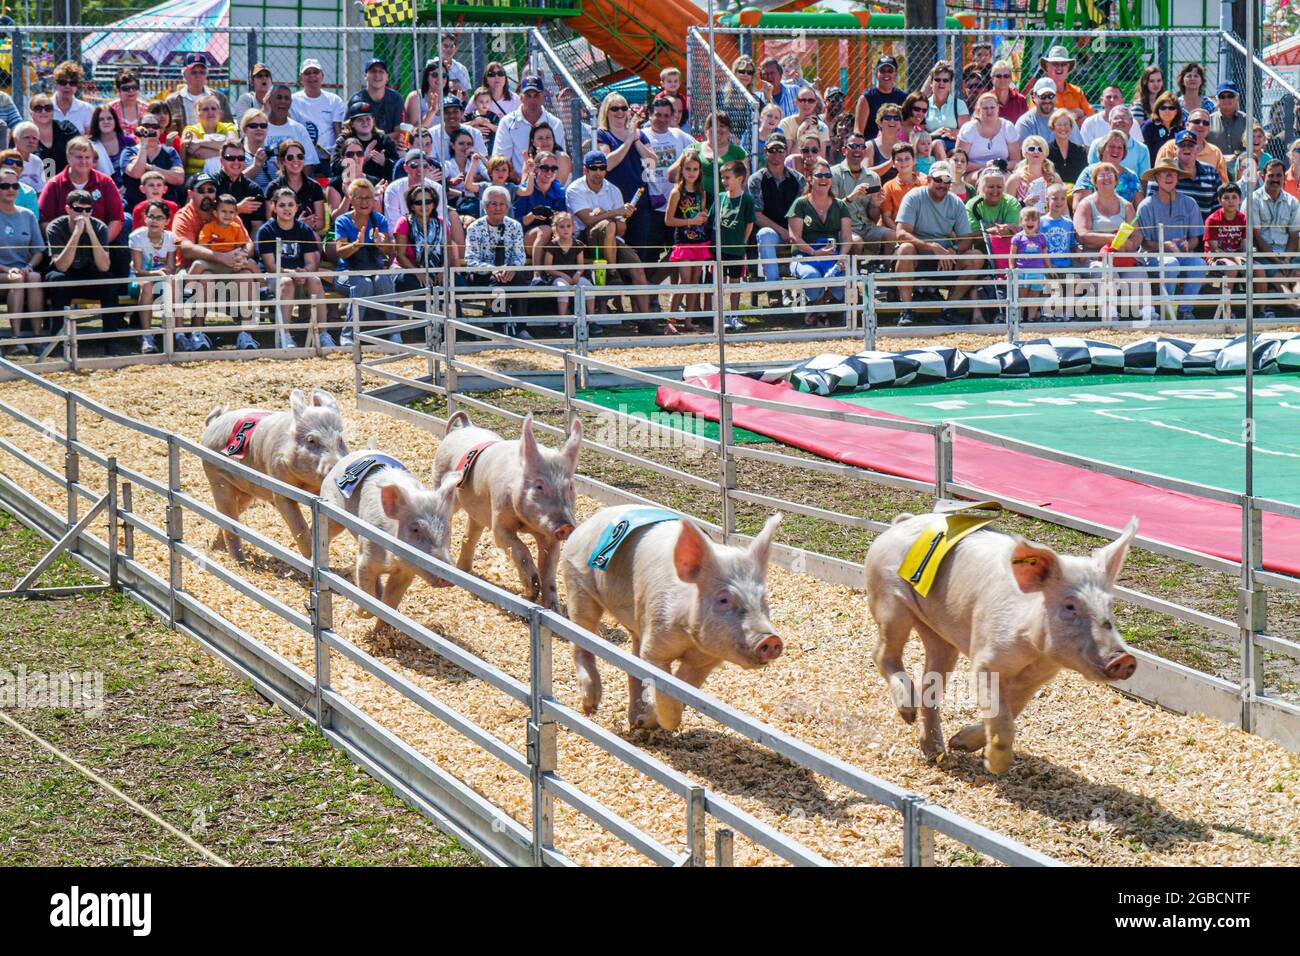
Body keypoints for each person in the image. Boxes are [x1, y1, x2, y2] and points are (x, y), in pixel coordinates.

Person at [893, 160, 982, 325]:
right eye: (938, 180)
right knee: (905, 249)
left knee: (976, 256)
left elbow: (966, 239)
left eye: (946, 180)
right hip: (916, 256)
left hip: (945, 260)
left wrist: (952, 252)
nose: (942, 184)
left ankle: (948, 309)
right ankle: (906, 311)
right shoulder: (913, 196)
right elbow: (901, 233)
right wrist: (932, 247)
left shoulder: (955, 202)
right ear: (928, 179)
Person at [565, 150, 650, 321]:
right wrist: (614, 213)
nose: (598, 172)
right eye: (594, 168)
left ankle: (645, 320)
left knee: (638, 269)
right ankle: (612, 272)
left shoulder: (613, 190)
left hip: (612, 239)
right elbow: (588, 220)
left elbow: (622, 228)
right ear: (585, 169)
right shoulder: (575, 189)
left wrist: (606, 213)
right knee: (608, 225)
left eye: (602, 168)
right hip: (583, 241)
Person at [38, 138, 126, 291]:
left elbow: (116, 219)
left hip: (97, 245)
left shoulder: (105, 182)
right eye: (79, 157)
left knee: (122, 253)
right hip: (64, 246)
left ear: (93, 160)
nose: (83, 161)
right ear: (68, 158)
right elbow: (44, 221)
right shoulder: (54, 184)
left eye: (87, 157)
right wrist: (67, 243)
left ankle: (121, 306)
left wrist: (99, 241)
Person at [44, 190, 123, 352]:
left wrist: (91, 233)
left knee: (109, 283)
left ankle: (110, 341)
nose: (84, 214)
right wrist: (77, 233)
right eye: (78, 209)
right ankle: (57, 341)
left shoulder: (99, 226)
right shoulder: (55, 227)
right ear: (68, 209)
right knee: (58, 280)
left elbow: (104, 266)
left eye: (88, 210)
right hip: (66, 274)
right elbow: (62, 266)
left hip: (91, 273)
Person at [1134, 158, 1204, 321]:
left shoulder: (1189, 203)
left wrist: (1188, 244)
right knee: (1171, 263)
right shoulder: (1146, 205)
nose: (1169, 177)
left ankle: (1186, 310)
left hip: (1181, 255)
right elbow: (1144, 243)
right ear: (1156, 178)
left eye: (1172, 173)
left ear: (1178, 177)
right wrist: (1164, 245)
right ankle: (1165, 309)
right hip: (1153, 256)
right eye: (1164, 174)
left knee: (1199, 264)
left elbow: (1196, 239)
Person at [785, 157, 852, 326]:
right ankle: (819, 308)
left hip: (832, 257)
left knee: (845, 277)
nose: (824, 179)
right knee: (812, 275)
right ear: (810, 178)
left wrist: (841, 258)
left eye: (827, 175)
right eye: (819, 175)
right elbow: (794, 237)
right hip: (805, 255)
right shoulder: (800, 204)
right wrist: (814, 252)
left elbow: (846, 237)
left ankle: (817, 306)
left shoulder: (840, 205)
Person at [257, 188, 326, 349]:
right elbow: (271, 266)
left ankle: (323, 333)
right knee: (287, 282)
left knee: (315, 280)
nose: (287, 209)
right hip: (275, 278)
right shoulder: (266, 231)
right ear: (274, 207)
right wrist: (293, 273)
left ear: (296, 207)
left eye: (290, 204)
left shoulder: (304, 230)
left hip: (299, 275)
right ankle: (285, 335)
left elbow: (311, 261)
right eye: (282, 205)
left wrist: (304, 272)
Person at [332, 178, 398, 345]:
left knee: (384, 280)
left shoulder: (379, 220)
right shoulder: (343, 221)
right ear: (351, 200)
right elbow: (341, 252)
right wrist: (357, 244)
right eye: (359, 198)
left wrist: (382, 244)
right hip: (347, 271)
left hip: (374, 269)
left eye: (368, 197)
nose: (364, 202)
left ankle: (393, 332)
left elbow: (388, 251)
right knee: (364, 284)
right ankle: (349, 334)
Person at [596, 93, 657, 265]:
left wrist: (635, 139)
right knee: (615, 252)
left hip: (639, 202)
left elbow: (652, 163)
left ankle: (637, 290)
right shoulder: (603, 134)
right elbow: (607, 163)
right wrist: (628, 141)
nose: (620, 112)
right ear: (606, 112)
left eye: (623, 107)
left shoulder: (639, 135)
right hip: (614, 204)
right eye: (614, 108)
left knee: (639, 253)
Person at [461, 184, 529, 333]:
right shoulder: (474, 228)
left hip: (508, 271)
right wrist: (492, 270)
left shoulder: (515, 226)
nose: (498, 208)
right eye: (493, 204)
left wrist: (511, 269)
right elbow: (470, 259)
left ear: (507, 207)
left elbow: (519, 255)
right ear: (485, 206)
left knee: (519, 280)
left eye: (502, 204)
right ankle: (499, 328)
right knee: (497, 284)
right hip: (483, 274)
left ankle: (521, 328)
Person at [749, 136, 804, 303]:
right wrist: (783, 231)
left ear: (786, 152)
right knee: (765, 235)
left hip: (796, 229)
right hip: (772, 230)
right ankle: (774, 291)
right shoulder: (756, 179)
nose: (776, 154)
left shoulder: (798, 179)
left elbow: (802, 210)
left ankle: (809, 292)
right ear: (765, 153)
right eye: (772, 150)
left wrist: (793, 232)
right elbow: (757, 215)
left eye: (780, 150)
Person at [663, 150, 710, 330]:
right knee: (684, 281)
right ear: (682, 169)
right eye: (688, 168)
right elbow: (668, 220)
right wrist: (690, 221)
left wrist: (703, 217)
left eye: (695, 169)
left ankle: (689, 320)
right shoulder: (677, 192)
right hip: (683, 241)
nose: (692, 172)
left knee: (695, 279)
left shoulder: (701, 192)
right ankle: (671, 321)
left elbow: (702, 214)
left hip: (699, 241)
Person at [0, 169, 44, 352]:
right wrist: (6, 270)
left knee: (34, 277)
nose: (11, 189)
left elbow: (39, 251)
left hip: (22, 271)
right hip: (4, 273)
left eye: (15, 185)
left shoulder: (27, 215)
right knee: (17, 280)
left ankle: (36, 338)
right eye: (5, 186)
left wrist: (29, 266)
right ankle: (16, 338)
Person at [1251, 159, 1300, 317]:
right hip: (1262, 255)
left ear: (1284, 178)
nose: (1275, 179)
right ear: (1263, 175)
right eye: (1271, 175)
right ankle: (1296, 309)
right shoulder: (1253, 200)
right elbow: (1256, 237)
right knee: (1280, 279)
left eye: (1279, 175)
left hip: (1286, 254)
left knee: (1297, 275)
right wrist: (1278, 262)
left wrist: (1286, 260)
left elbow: (1294, 235)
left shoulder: (1292, 202)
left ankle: (1295, 307)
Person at [394, 181, 463, 294]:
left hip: (436, 269)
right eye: (418, 202)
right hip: (407, 270)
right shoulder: (404, 222)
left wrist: (442, 270)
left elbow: (448, 252)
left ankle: (453, 312)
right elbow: (400, 256)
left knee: (454, 284)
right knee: (422, 286)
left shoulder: (441, 222)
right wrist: (418, 273)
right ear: (412, 205)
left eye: (428, 201)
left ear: (434, 203)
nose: (424, 206)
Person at [127, 199, 175, 353]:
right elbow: (138, 270)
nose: (154, 221)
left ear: (167, 221)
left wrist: (162, 273)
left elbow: (171, 266)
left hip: (162, 277)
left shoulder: (170, 237)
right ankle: (147, 336)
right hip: (140, 278)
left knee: (174, 284)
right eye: (151, 216)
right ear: (145, 218)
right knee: (147, 285)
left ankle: (174, 333)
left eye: (159, 217)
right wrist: (157, 273)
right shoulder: (137, 236)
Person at [832, 131, 889, 256]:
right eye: (853, 146)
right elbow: (830, 210)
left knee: (892, 236)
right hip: (843, 229)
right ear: (844, 151)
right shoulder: (833, 174)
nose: (857, 150)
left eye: (861, 147)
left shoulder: (873, 177)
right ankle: (855, 274)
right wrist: (851, 197)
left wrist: (875, 204)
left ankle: (884, 273)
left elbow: (874, 218)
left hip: (867, 228)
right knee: (856, 242)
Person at [497, 76, 567, 179]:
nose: (532, 100)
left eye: (536, 95)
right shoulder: (507, 123)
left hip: (550, 183)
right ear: (521, 98)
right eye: (528, 96)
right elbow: (501, 160)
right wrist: (523, 185)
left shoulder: (555, 124)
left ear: (543, 97)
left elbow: (560, 160)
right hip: (518, 184)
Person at [716, 159, 755, 329]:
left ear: (739, 179)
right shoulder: (720, 197)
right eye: (722, 178)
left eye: (727, 178)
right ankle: (721, 315)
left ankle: (734, 315)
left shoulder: (746, 199)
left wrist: (743, 241)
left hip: (736, 248)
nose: (724, 181)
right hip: (719, 248)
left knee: (734, 281)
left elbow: (749, 223)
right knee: (720, 282)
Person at [121, 110, 185, 211]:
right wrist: (143, 144)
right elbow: (137, 173)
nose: (150, 129)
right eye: (146, 126)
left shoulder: (169, 152)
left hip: (165, 209)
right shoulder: (129, 152)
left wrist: (149, 167)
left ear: (160, 130)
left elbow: (179, 178)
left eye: (155, 126)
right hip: (134, 208)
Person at [1072, 161, 1139, 259]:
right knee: (1110, 273)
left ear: (1116, 181)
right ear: (1094, 182)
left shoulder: (1127, 206)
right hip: (1094, 257)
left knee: (1137, 274)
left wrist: (1129, 246)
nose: (1106, 178)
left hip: (1122, 256)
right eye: (1101, 175)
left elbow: (1136, 236)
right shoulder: (1085, 205)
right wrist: (1113, 239)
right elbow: (1082, 235)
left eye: (1110, 174)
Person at [513, 151, 567, 263]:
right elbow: (515, 224)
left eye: (553, 168)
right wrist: (533, 215)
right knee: (545, 230)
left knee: (563, 234)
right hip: (524, 240)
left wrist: (556, 218)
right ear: (536, 169)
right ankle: (537, 275)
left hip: (552, 236)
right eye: (545, 168)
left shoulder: (560, 191)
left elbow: (565, 221)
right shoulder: (523, 190)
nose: (549, 172)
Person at [205, 109, 276, 192]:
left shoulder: (273, 154)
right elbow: (230, 182)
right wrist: (255, 166)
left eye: (263, 126)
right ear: (245, 130)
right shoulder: (235, 154)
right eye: (253, 126)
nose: (259, 128)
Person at [291, 59, 345, 166]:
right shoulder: (293, 100)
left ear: (322, 76)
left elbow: (339, 132)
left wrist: (338, 155)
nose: (312, 76)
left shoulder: (334, 100)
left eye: (315, 72)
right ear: (301, 78)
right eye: (307, 73)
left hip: (329, 156)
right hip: (303, 156)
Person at [266, 139, 327, 233]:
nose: (296, 160)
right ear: (283, 162)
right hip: (281, 236)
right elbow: (269, 221)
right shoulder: (273, 187)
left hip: (306, 235)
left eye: (300, 156)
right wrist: (297, 224)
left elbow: (320, 223)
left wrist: (309, 225)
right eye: (290, 157)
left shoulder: (315, 187)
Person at [956, 91, 1021, 178]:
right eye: (985, 108)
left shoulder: (1007, 127)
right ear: (979, 110)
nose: (989, 111)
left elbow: (1016, 162)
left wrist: (999, 165)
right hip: (974, 173)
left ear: (998, 108)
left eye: (992, 107)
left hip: (1003, 172)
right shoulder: (969, 129)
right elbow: (958, 163)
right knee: (987, 177)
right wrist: (986, 166)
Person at [330, 103, 400, 182]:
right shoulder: (343, 141)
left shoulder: (384, 140)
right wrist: (362, 159)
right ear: (352, 123)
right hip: (350, 185)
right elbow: (334, 168)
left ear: (373, 121)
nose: (365, 122)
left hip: (379, 186)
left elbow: (398, 167)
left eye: (368, 119)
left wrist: (384, 162)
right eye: (360, 120)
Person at [1204, 181, 1248, 307]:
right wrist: (1235, 258)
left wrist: (1243, 258)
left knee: (1258, 270)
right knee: (1232, 268)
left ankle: (1261, 309)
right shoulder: (1212, 219)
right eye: (1226, 198)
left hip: (1237, 256)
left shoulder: (1243, 219)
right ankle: (1226, 309)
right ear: (1219, 200)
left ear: (1240, 200)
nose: (1231, 201)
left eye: (1234, 197)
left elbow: (1245, 245)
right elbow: (1214, 249)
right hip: (1215, 258)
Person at [1159, 130, 1220, 218]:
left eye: (1190, 145)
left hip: (1204, 229)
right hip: (1172, 229)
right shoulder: (1163, 172)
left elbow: (1218, 209)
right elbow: (1153, 206)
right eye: (1182, 145)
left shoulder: (1211, 172)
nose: (1186, 148)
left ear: (1197, 149)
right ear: (1175, 149)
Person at [540, 211, 589, 319]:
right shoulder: (552, 245)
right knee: (563, 288)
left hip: (574, 275)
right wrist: (563, 275)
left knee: (587, 286)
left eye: (568, 226)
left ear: (573, 228)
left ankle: (590, 320)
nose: (566, 229)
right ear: (555, 229)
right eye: (562, 227)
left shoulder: (578, 245)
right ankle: (562, 322)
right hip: (556, 277)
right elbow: (547, 268)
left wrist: (578, 273)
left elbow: (581, 265)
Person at [1156, 108, 1227, 182]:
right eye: (1197, 121)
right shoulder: (1169, 147)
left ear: (1209, 129)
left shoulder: (1215, 152)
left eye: (1206, 123)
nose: (1201, 125)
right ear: (1187, 125)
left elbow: (1223, 185)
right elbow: (1158, 177)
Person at [213, 138, 267, 234]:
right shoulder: (210, 184)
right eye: (230, 158)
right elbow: (204, 217)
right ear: (221, 160)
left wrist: (249, 248)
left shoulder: (253, 189)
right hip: (213, 240)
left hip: (243, 243)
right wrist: (237, 209)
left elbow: (257, 226)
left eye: (241, 158)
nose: (236, 162)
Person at [166, 53, 234, 130]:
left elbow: (229, 125)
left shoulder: (219, 98)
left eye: (202, 72)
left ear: (206, 75)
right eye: (193, 72)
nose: (198, 75)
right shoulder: (172, 100)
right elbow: (168, 128)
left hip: (214, 140)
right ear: (184, 74)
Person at [1073, 131, 1143, 204]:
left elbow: (1140, 209)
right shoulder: (1089, 172)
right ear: (1103, 149)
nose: (1116, 150)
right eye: (1112, 146)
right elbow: (1078, 205)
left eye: (1120, 148)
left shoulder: (1131, 176)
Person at [383, 147, 441, 232]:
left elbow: (440, 220)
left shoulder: (437, 188)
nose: (419, 169)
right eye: (414, 165)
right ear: (405, 168)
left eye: (424, 166)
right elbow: (393, 225)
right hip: (402, 237)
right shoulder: (393, 189)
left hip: (431, 237)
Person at [1084, 105, 1150, 179]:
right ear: (1109, 122)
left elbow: (1144, 179)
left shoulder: (1142, 149)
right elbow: (1091, 173)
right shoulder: (1096, 144)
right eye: (1116, 118)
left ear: (1131, 123)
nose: (1120, 121)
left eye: (1124, 118)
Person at [180, 94, 237, 176]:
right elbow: (198, 153)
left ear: (220, 112)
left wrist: (200, 143)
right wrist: (226, 154)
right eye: (205, 109)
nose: (210, 112)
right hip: (197, 176)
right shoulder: (190, 130)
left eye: (214, 108)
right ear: (197, 113)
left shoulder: (229, 127)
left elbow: (233, 146)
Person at [1009, 206, 1050, 319]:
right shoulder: (1018, 237)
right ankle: (1020, 317)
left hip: (1037, 271)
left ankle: (1031, 318)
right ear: (1021, 221)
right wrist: (1012, 267)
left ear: (1038, 222)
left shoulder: (1041, 237)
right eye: (1027, 219)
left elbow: (1044, 255)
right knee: (1022, 295)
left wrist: (1049, 268)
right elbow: (1012, 255)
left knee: (1034, 295)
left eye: (1033, 220)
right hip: (1023, 272)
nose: (1030, 222)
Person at [348, 58, 405, 138]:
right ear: (365, 76)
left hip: (389, 144)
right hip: (362, 145)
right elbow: (349, 131)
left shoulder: (396, 99)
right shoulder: (357, 100)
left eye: (381, 71)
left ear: (387, 77)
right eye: (373, 71)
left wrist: (380, 141)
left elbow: (399, 132)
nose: (377, 75)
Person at [1035, 45, 1092, 124]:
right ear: (1047, 67)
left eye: (1063, 64)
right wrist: (1073, 114)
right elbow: (1040, 120)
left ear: (1068, 68)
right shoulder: (1039, 92)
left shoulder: (1077, 91)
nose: (1059, 67)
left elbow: (1091, 118)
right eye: (1055, 64)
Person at [29, 93, 80, 181]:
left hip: (68, 182)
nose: (43, 112)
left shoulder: (67, 129)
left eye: (48, 108)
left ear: (53, 111)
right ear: (31, 112)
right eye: (38, 108)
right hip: (35, 186)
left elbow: (81, 152)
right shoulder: (24, 134)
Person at [263, 86, 315, 170]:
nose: (283, 101)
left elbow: (308, 163)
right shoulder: (260, 127)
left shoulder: (299, 129)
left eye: (286, 98)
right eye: (279, 97)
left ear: (290, 102)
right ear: (270, 101)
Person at [923, 60, 967, 157]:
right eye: (937, 80)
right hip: (929, 146)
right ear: (931, 82)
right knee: (938, 144)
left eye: (945, 80)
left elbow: (967, 133)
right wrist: (933, 134)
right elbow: (918, 134)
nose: (941, 83)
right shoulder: (924, 105)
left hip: (953, 147)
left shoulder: (959, 105)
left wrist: (952, 132)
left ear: (950, 84)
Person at [1005, 135, 1061, 212]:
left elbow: (1064, 208)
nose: (1036, 151)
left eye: (1040, 149)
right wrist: (1023, 204)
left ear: (1045, 153)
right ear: (1025, 153)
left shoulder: (1054, 178)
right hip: (1023, 222)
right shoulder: (1015, 179)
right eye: (1032, 149)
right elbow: (1006, 209)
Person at [967, 166, 1023, 242]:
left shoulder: (1011, 202)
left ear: (1003, 188)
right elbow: (972, 235)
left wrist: (986, 231)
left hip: (1008, 247)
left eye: (999, 187)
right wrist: (995, 230)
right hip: (981, 248)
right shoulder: (973, 204)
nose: (995, 191)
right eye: (991, 187)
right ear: (982, 187)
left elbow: (1013, 231)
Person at [431, 95, 488, 161]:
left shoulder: (474, 133)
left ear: (462, 113)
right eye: (447, 112)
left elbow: (485, 161)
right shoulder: (432, 134)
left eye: (455, 111)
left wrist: (476, 155)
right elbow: (431, 162)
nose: (451, 115)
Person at [880, 141, 926, 222]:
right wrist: (898, 232)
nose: (903, 162)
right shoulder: (888, 186)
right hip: (898, 229)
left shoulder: (925, 183)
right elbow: (886, 217)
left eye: (907, 158)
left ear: (914, 161)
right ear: (893, 163)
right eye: (899, 159)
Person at [87, 105, 132, 184]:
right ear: (96, 122)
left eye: (109, 118)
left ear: (115, 120)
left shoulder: (129, 142)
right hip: (101, 189)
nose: (106, 122)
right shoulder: (89, 145)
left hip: (128, 190)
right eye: (101, 119)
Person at [1208, 83, 1247, 168]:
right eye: (1222, 96)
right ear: (1217, 99)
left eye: (1230, 96)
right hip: (1215, 170)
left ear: (1237, 98)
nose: (1226, 99)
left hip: (1242, 171)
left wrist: (1239, 156)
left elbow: (1258, 146)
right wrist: (1221, 158)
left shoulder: (1248, 121)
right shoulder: (1207, 122)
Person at [1141, 91, 1185, 166]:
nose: (1167, 111)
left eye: (1171, 108)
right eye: (1163, 108)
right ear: (1157, 109)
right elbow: (1143, 153)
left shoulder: (1181, 130)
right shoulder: (1148, 126)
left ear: (1177, 111)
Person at [50, 60, 94, 133]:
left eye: (72, 83)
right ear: (56, 84)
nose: (67, 86)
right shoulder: (44, 108)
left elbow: (90, 138)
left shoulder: (87, 109)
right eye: (63, 82)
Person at [1046, 109, 1087, 185]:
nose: (1063, 128)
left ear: (1071, 127)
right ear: (1053, 128)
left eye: (1066, 124)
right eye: (1059, 124)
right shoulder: (1046, 151)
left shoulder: (1080, 151)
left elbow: (1084, 178)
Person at [107, 68, 146, 136]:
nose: (131, 91)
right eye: (126, 88)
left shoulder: (147, 109)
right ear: (118, 91)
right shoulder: (110, 109)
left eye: (134, 87)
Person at [988, 59, 1028, 123]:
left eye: (1006, 76)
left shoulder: (1020, 100)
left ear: (1010, 79)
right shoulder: (985, 100)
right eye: (998, 76)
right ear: (992, 79)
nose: (1002, 79)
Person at [11, 122, 46, 192]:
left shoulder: (37, 161)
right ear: (15, 140)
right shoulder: (6, 160)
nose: (31, 141)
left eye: (35, 138)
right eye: (26, 137)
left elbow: (41, 189)